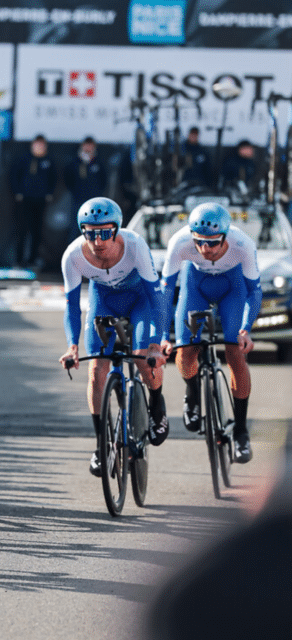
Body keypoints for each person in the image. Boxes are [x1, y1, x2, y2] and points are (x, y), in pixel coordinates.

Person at [58, 197, 169, 477]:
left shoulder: (134, 245)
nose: (98, 240)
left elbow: (156, 298)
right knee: (97, 369)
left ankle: (156, 403)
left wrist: (157, 342)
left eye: (105, 232)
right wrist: (72, 346)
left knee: (143, 356)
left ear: (117, 230)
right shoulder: (72, 256)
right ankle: (101, 445)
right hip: (104, 301)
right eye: (90, 232)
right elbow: (72, 306)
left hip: (139, 301)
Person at [160, 202, 260, 463]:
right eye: (199, 243)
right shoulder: (179, 242)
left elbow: (254, 291)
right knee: (184, 351)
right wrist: (162, 335)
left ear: (225, 236)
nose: (205, 249)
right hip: (196, 287)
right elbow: (167, 290)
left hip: (232, 288)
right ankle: (192, 394)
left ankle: (240, 431)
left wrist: (245, 329)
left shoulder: (242, 244)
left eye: (213, 243)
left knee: (235, 353)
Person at [10, 135, 55, 268]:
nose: (39, 147)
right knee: (22, 229)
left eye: (42, 145)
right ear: (32, 145)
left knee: (37, 231)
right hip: (24, 199)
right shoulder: (24, 159)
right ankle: (18, 260)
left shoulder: (48, 161)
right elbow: (14, 175)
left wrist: (49, 193)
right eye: (37, 144)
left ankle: (32, 260)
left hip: (40, 200)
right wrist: (17, 192)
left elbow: (53, 178)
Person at [64, 137, 107, 235]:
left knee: (92, 228)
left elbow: (103, 180)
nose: (88, 148)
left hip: (94, 202)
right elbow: (68, 178)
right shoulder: (75, 163)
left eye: (91, 145)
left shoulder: (98, 163)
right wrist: (75, 192)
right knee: (76, 227)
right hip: (78, 200)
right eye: (86, 145)